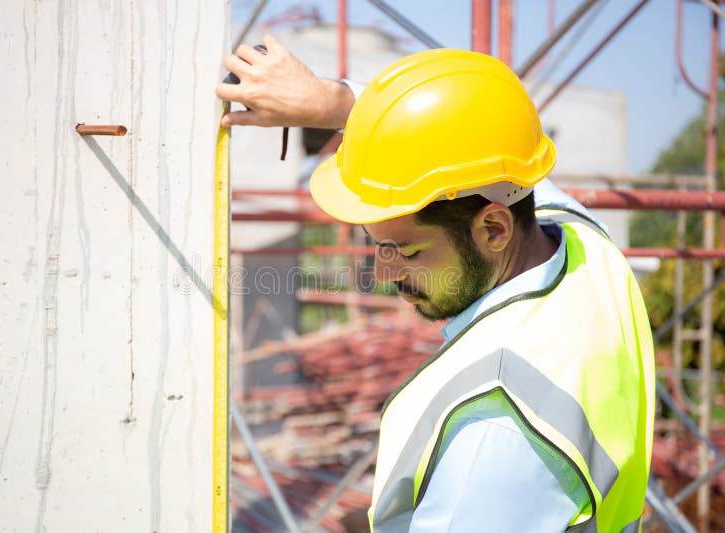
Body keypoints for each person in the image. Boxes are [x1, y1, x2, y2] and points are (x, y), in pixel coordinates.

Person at [218, 36, 655, 533]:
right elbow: (473, 140)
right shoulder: (584, 247)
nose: (384, 273)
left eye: (407, 251)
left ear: (493, 229)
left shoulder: (496, 428)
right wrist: (332, 101)